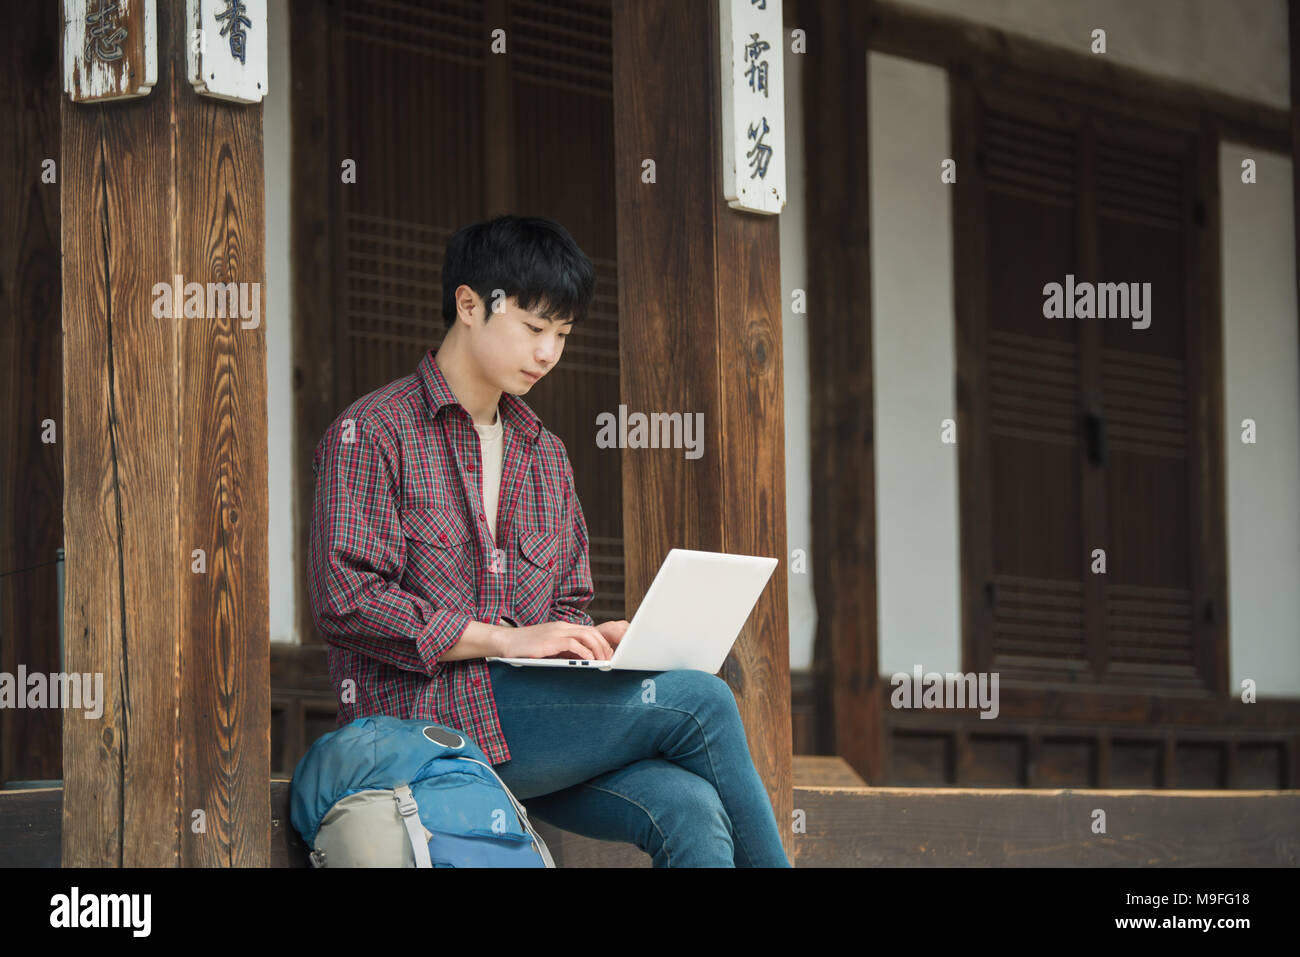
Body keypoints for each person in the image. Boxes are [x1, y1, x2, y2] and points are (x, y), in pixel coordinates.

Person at [306, 214, 790, 867]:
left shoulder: (546, 457)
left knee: (689, 805)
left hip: (527, 729)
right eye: (534, 328)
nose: (548, 353)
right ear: (470, 304)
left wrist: (594, 646)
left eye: (562, 334)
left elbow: (564, 605)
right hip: (420, 728)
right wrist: (502, 638)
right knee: (702, 699)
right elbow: (348, 599)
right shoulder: (373, 431)